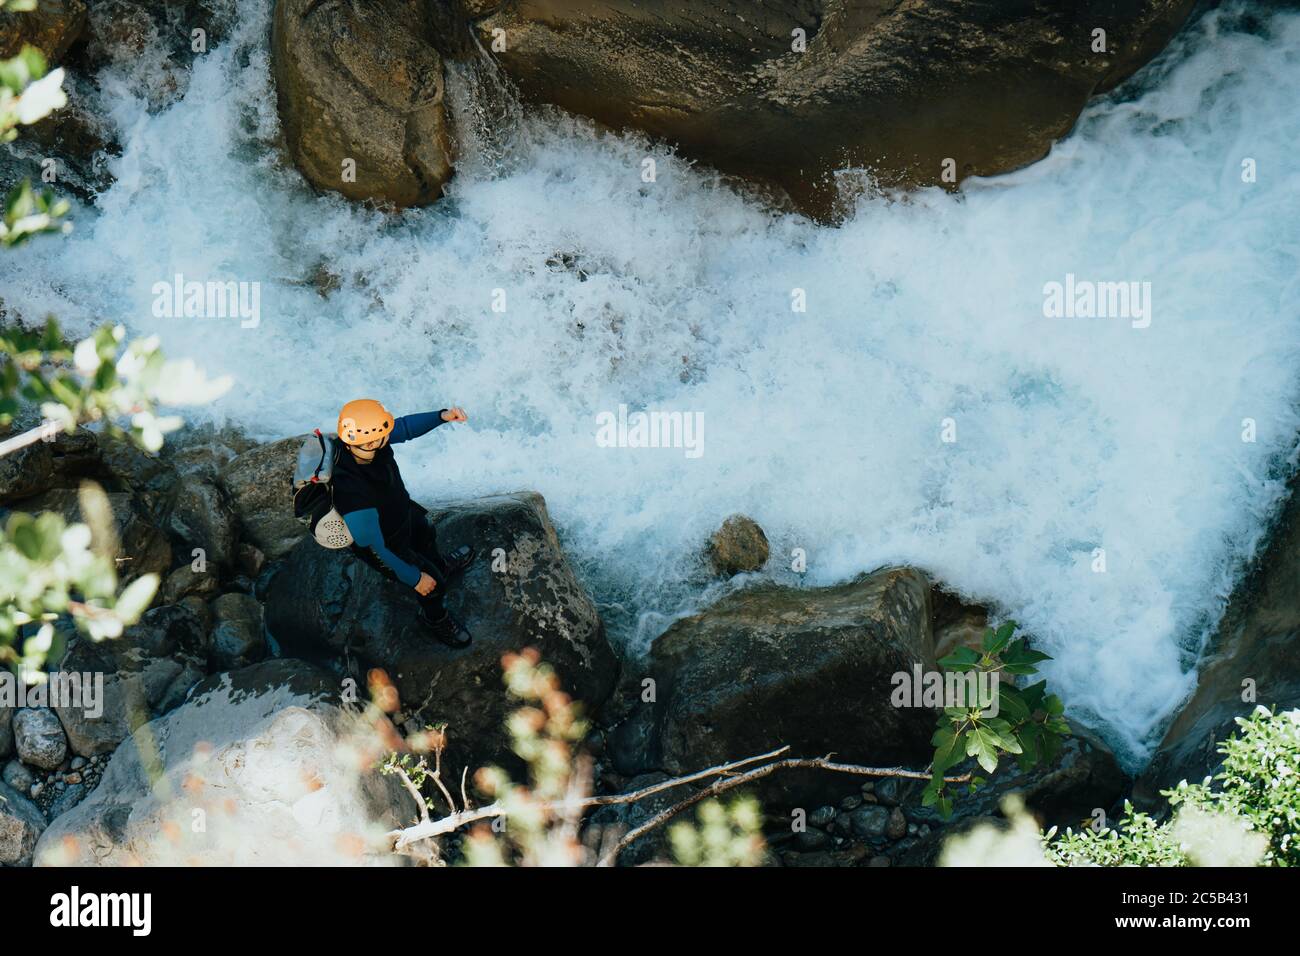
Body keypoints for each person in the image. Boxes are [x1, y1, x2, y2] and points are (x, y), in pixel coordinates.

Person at [332, 398, 475, 647]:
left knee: (426, 534)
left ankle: (441, 564)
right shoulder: (350, 492)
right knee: (433, 585)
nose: (383, 442)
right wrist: (414, 578)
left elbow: (404, 428)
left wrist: (441, 416)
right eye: (375, 440)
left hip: (400, 512)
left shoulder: (368, 442)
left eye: (382, 437)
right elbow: (374, 550)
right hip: (385, 539)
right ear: (352, 441)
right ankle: (434, 617)